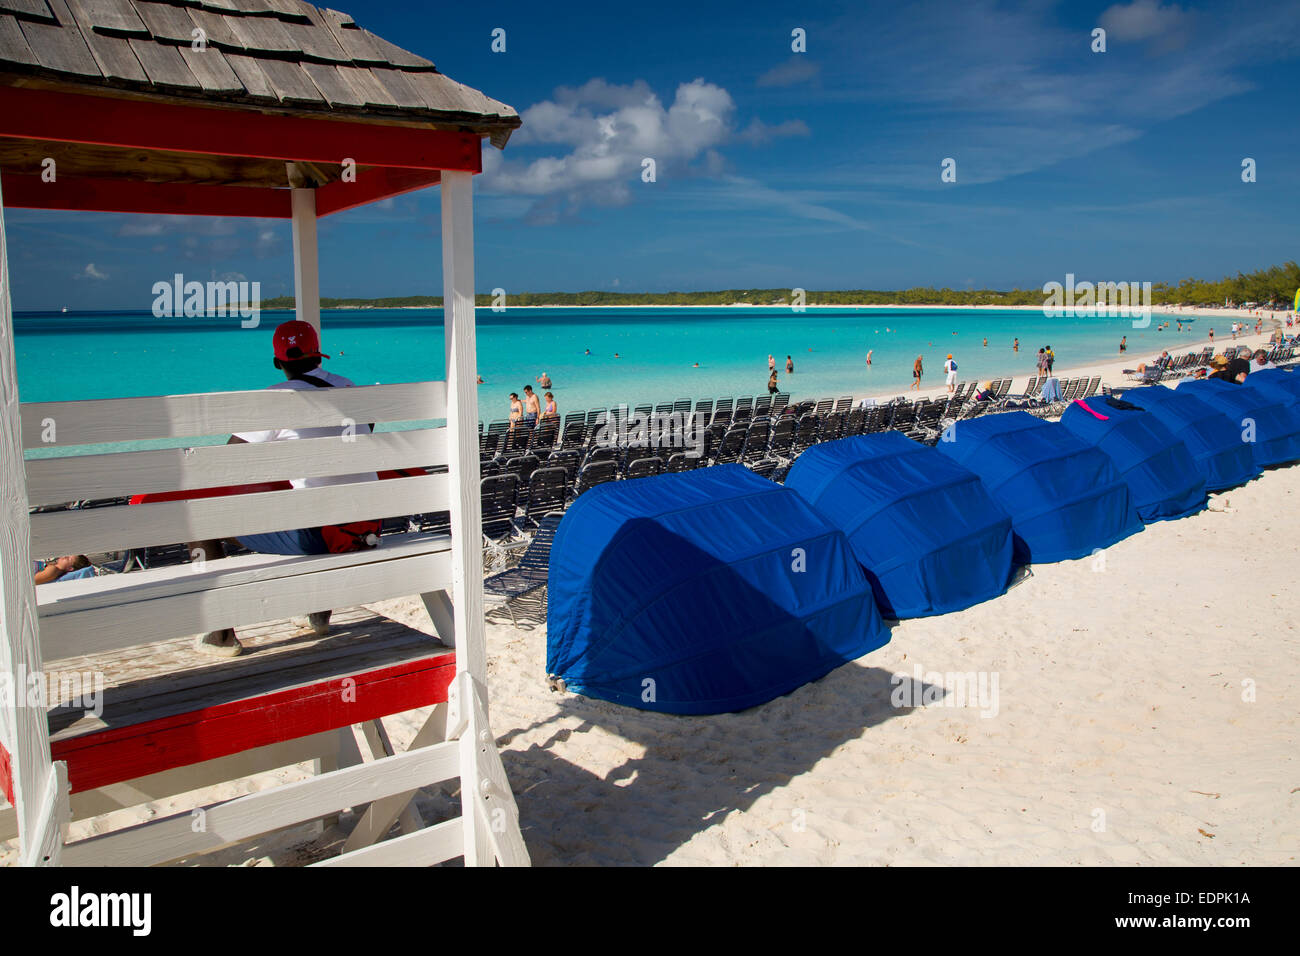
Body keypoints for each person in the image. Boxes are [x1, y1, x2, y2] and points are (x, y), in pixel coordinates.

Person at [189, 320, 377, 657]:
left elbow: (222, 460)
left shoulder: (275, 397)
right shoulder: (349, 388)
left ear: (278, 362)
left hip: (322, 536)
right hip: (367, 527)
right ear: (319, 355)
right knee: (314, 499)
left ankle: (220, 635)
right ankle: (317, 614)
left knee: (202, 522)